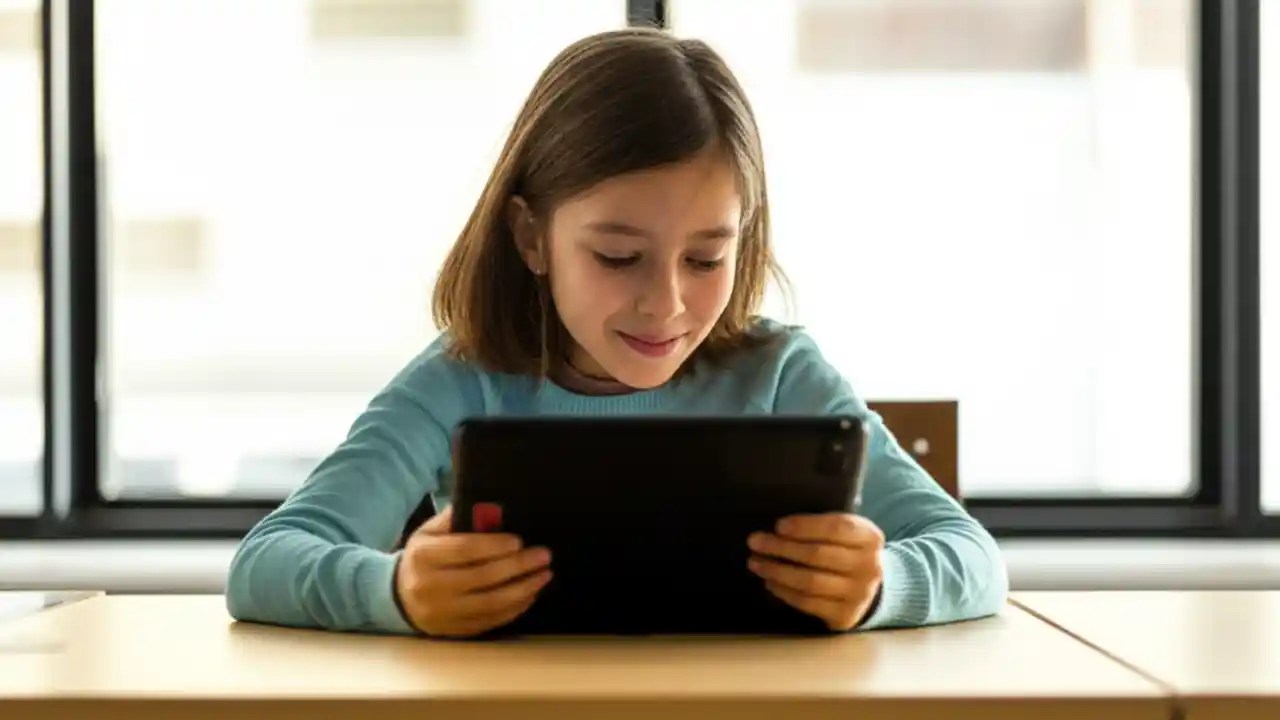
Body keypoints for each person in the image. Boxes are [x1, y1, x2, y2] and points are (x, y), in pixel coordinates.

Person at [226, 28, 1008, 639]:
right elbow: (263, 564)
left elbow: (972, 557)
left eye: (707, 257)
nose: (665, 304)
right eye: (618, 256)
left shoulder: (780, 373)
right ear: (532, 238)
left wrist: (880, 588)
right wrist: (391, 590)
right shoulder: (461, 379)